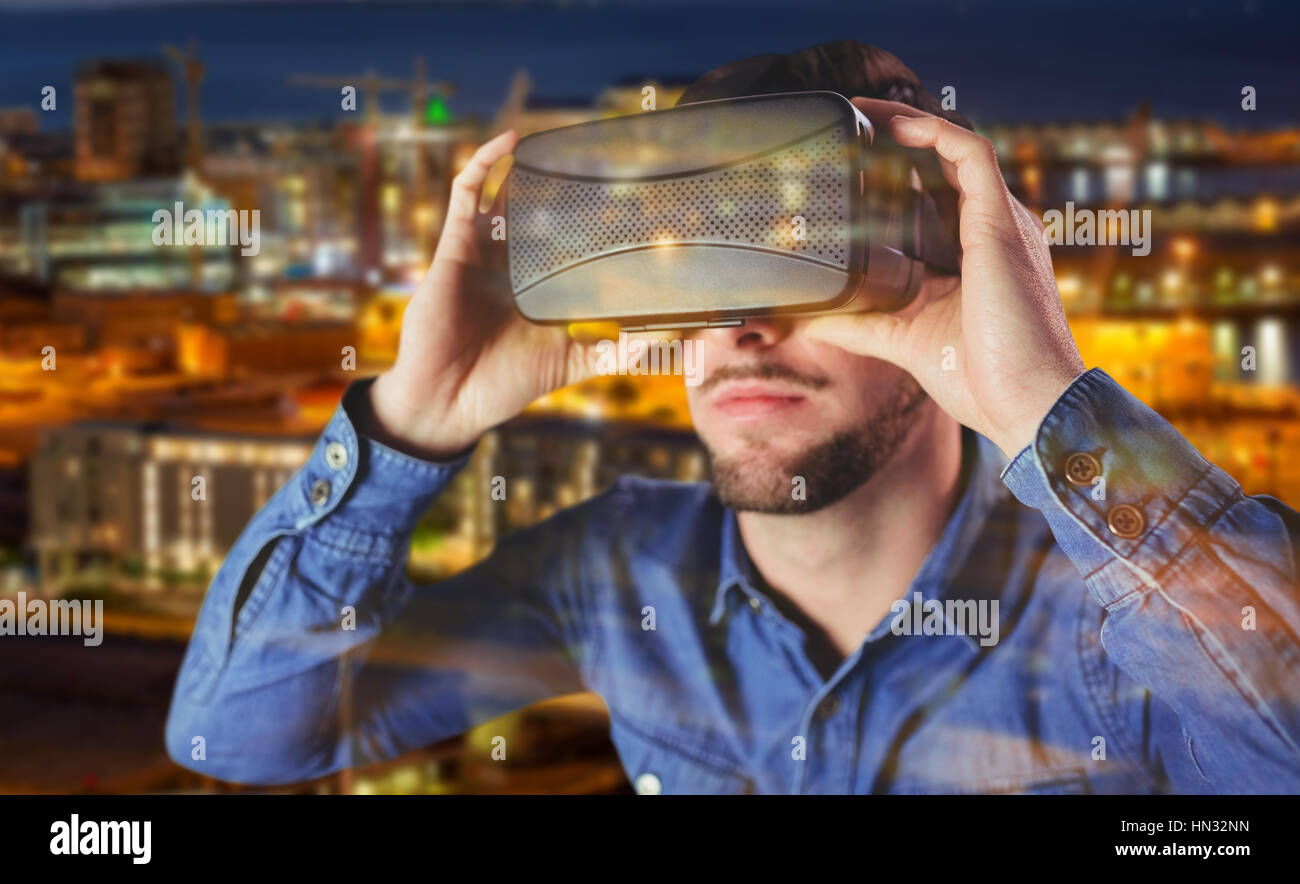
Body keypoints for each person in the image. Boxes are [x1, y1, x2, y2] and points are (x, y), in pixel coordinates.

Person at [165, 40, 1300, 793]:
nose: (742, 327)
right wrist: (413, 420)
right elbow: (247, 734)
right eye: (696, 266)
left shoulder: (1124, 620)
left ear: (949, 274)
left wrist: (1035, 397)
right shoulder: (616, 570)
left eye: (801, 265)